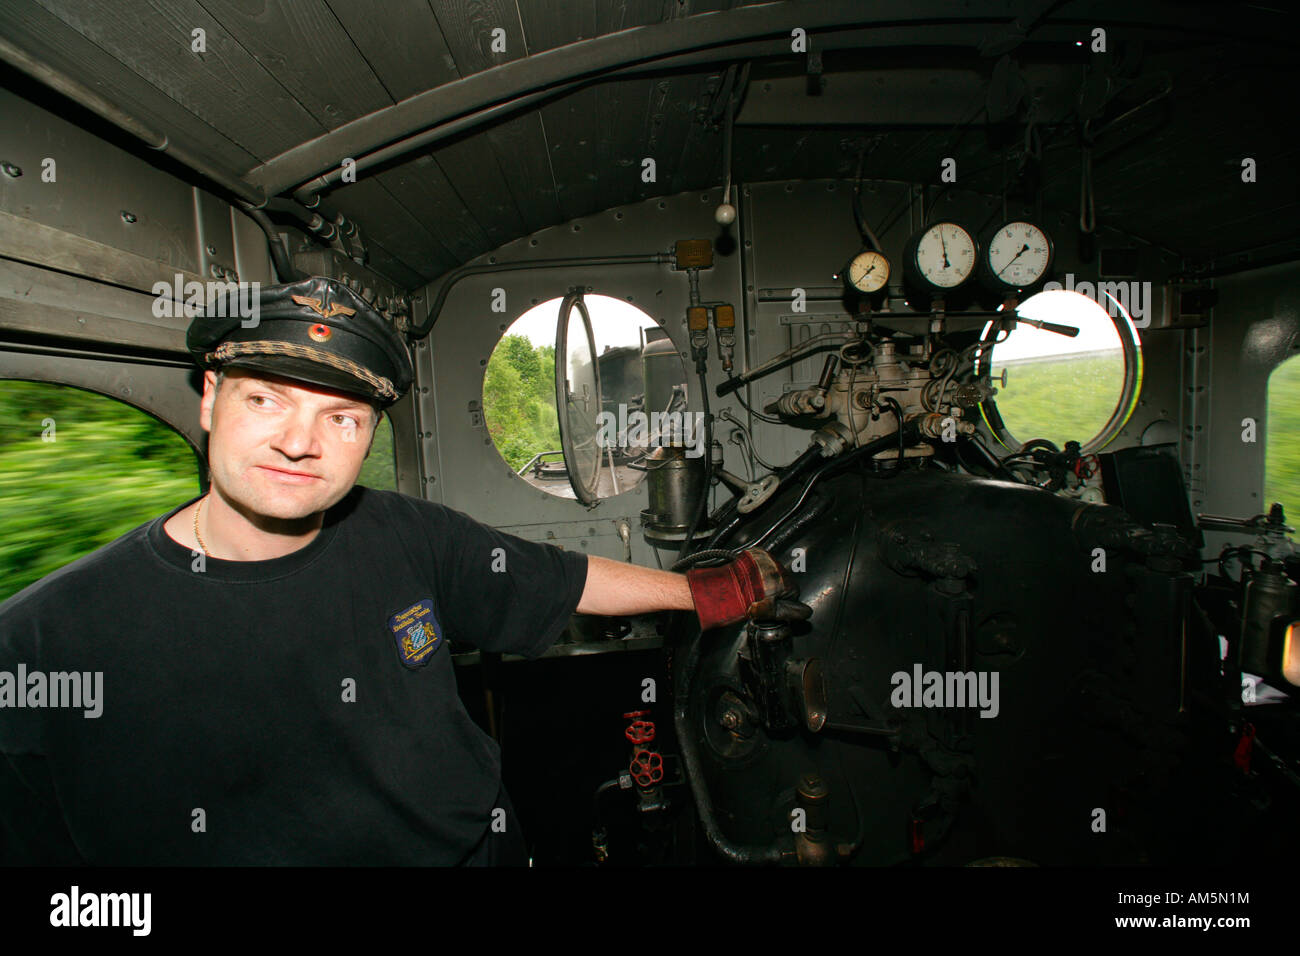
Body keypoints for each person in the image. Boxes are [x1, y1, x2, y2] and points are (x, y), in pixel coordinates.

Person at [0, 276, 802, 865]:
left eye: (340, 417)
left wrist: (706, 592)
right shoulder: (45, 639)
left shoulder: (403, 533)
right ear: (210, 398)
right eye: (266, 400)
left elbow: (557, 579)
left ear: (369, 432)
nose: (299, 441)